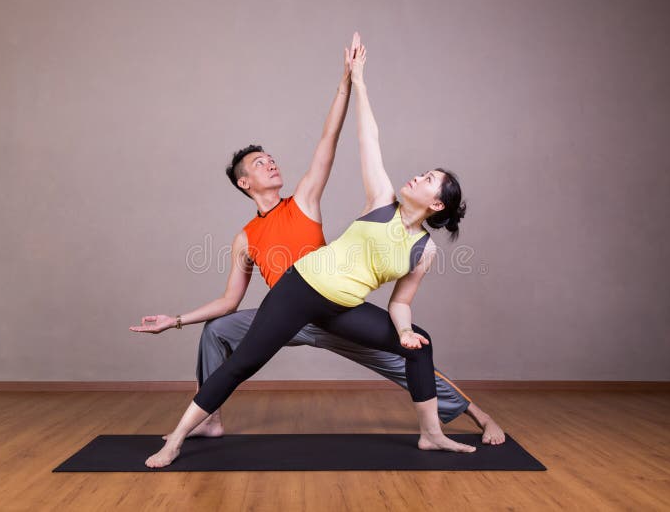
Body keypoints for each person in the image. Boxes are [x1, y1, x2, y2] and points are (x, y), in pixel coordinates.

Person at [142, 37, 492, 468]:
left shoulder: (417, 248)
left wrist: (403, 331)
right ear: (243, 183)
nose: (270, 164)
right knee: (236, 356)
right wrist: (359, 82)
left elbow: (400, 302)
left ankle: (434, 434)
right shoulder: (380, 199)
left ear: (437, 205)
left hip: (339, 309)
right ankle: (181, 436)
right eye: (259, 163)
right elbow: (369, 138)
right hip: (299, 293)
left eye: (427, 179)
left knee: (417, 347)